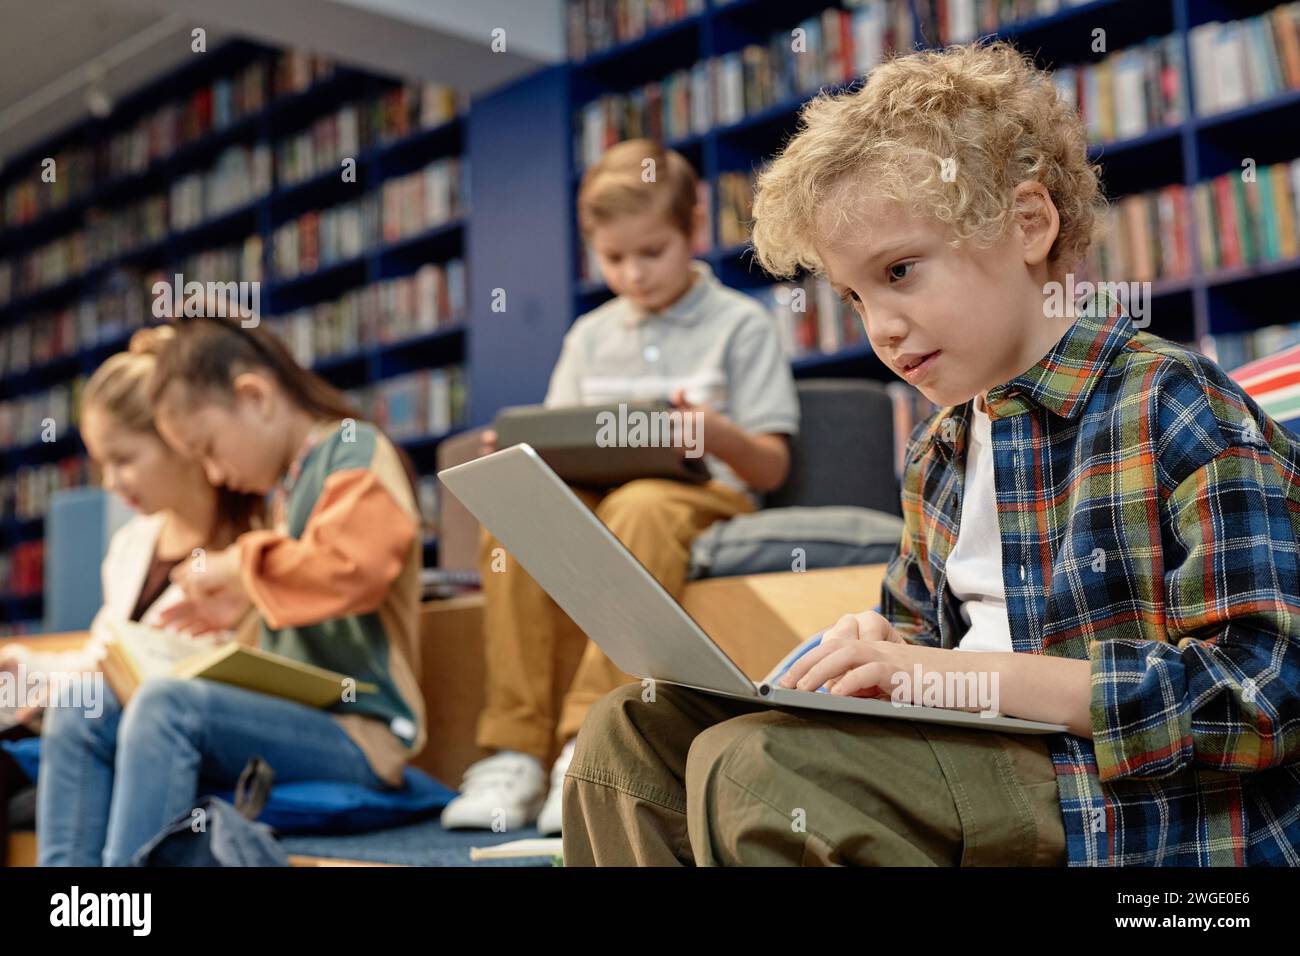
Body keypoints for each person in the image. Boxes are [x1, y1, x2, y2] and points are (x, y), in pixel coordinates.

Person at [562, 41, 1300, 866]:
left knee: (762, 772)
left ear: (1028, 223)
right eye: (854, 296)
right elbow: (919, 643)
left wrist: (965, 682)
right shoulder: (938, 451)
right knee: (627, 733)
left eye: (901, 271)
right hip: (965, 765)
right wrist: (882, 654)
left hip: (1109, 803)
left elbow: (1266, 695)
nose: (878, 327)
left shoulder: (1172, 398)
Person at [441, 140, 800, 835]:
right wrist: (520, 453)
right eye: (613, 259)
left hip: (701, 497)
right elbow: (554, 444)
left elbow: (770, 466)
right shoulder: (588, 334)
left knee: (639, 506)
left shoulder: (741, 325)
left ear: (693, 230)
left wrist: (709, 432)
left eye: (651, 252)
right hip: (598, 500)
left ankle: (585, 741)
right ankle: (514, 747)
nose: (632, 274)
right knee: (516, 514)